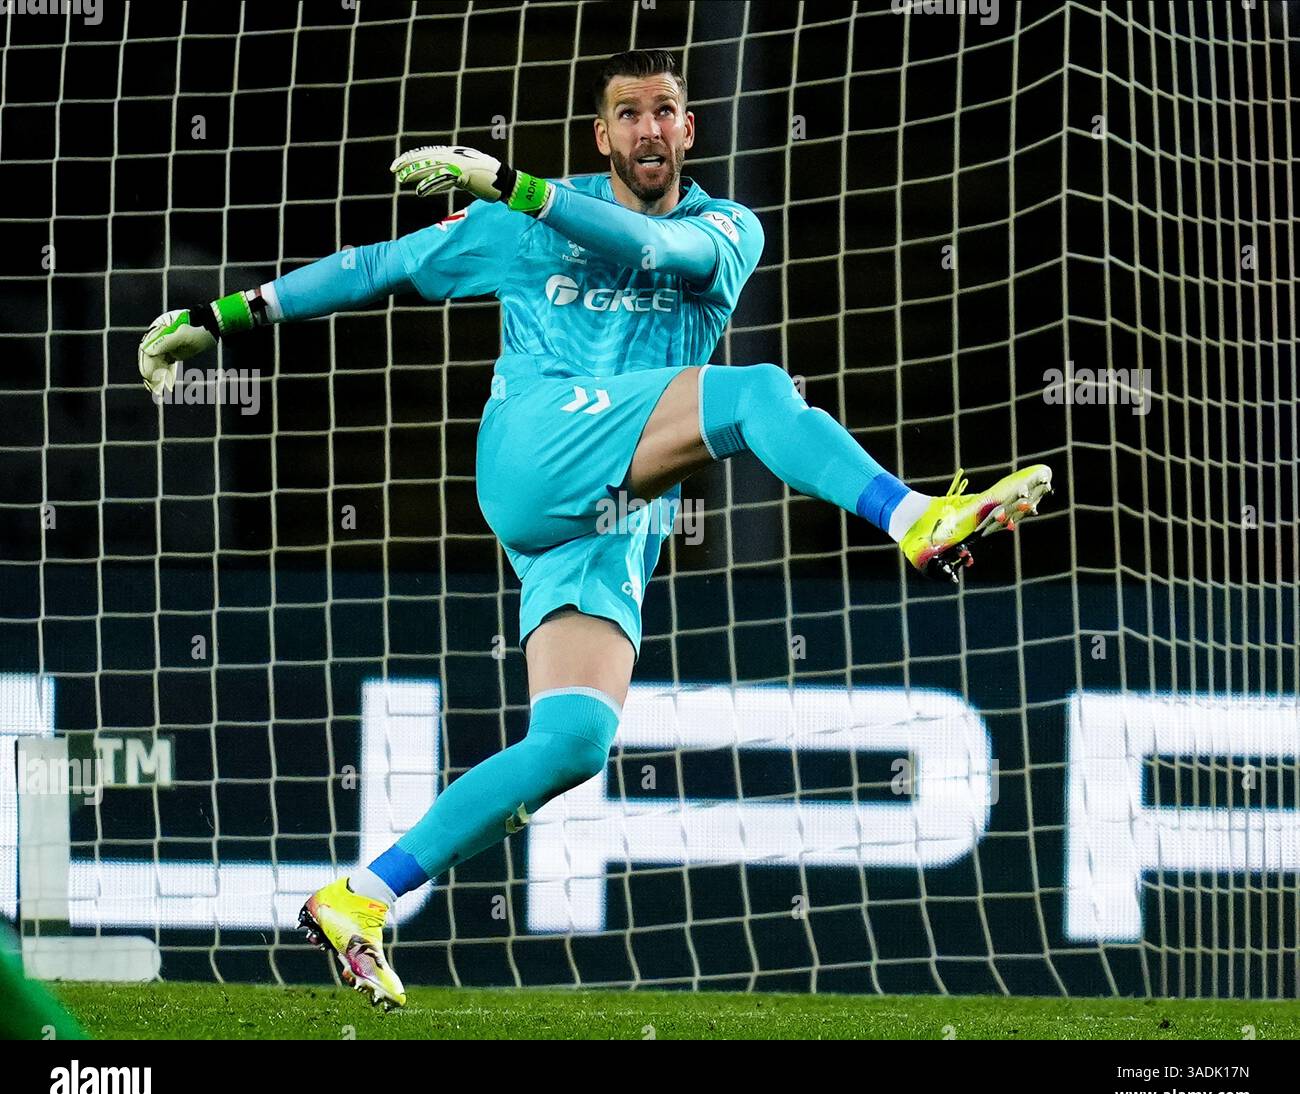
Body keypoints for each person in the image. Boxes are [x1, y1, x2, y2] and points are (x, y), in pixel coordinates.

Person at [137, 49, 1051, 1010]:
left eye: (665, 111)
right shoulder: (521, 223)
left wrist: (520, 186)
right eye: (628, 113)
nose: (649, 128)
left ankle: (360, 896)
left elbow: (659, 254)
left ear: (689, 131)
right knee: (757, 394)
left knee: (575, 739)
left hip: (611, 516)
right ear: (602, 135)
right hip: (533, 451)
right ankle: (915, 518)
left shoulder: (728, 228)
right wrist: (221, 315)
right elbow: (383, 265)